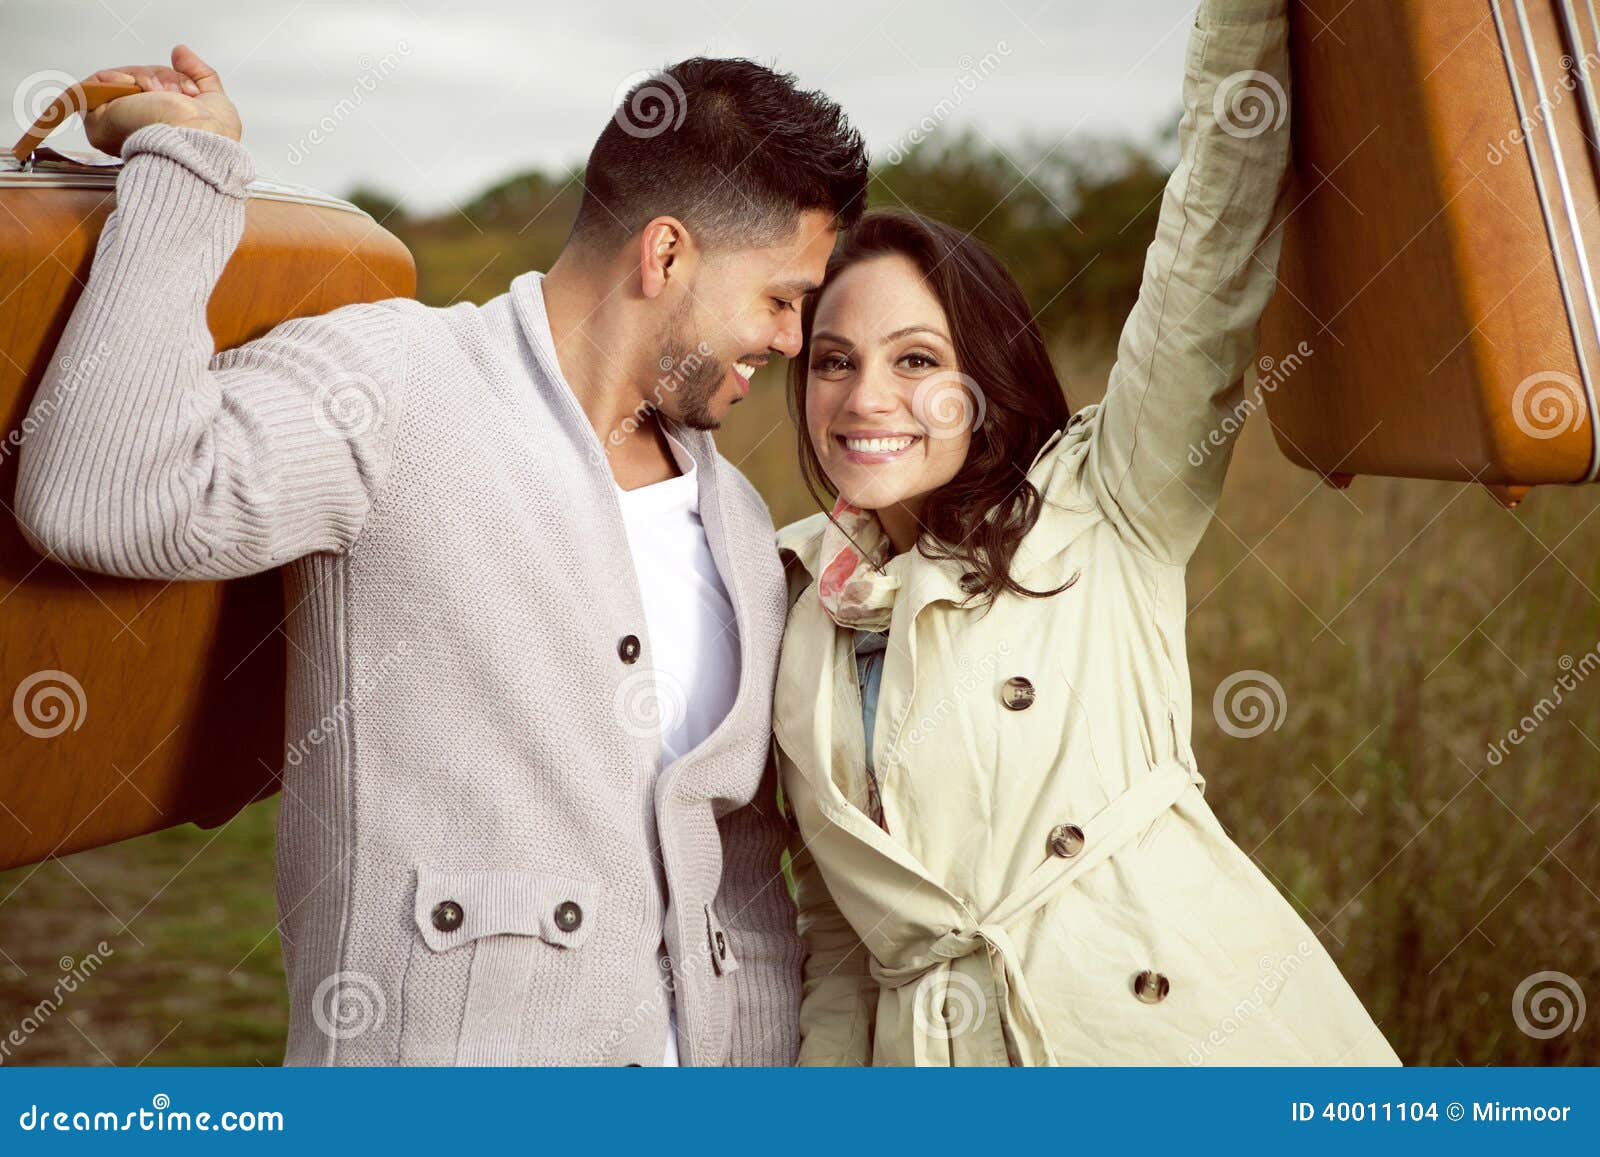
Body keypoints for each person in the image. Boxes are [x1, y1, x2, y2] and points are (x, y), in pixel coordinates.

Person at [14, 45, 867, 1065]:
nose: (791, 336)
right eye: (781, 295)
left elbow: (735, 872)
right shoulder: (390, 387)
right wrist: (191, 168)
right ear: (667, 255)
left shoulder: (732, 512)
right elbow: (101, 494)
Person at [771, 0, 1404, 1065]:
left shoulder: (1104, 504)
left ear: (985, 378)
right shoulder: (799, 602)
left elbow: (1208, 248)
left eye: (916, 359)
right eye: (833, 360)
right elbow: (842, 934)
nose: (863, 395)